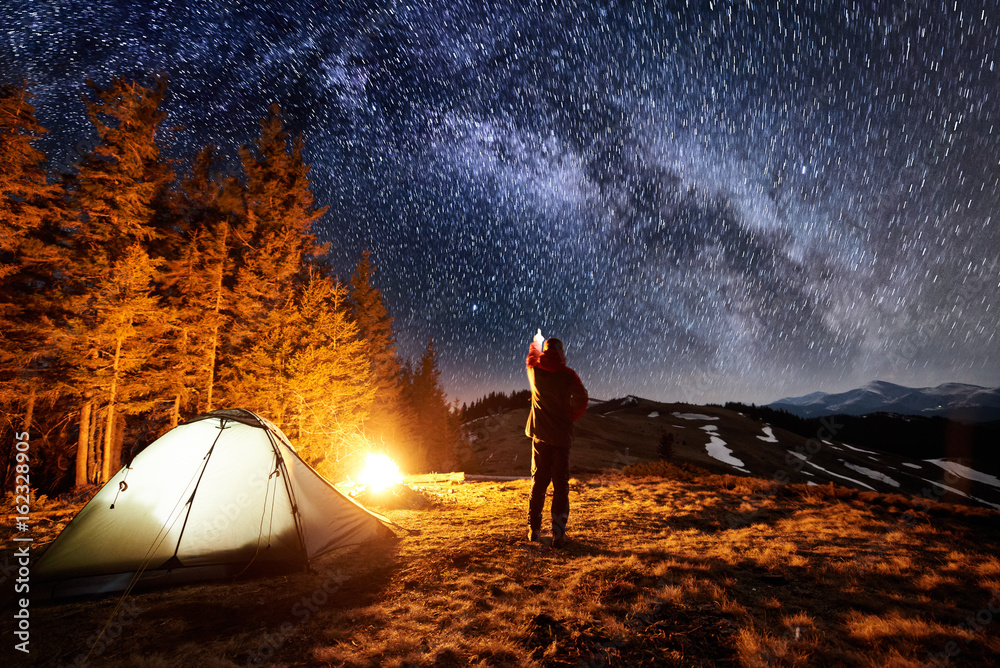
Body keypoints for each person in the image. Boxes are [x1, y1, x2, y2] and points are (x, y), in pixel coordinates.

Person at [525, 329, 588, 548]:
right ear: (562, 353)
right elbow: (583, 398)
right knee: (560, 486)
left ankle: (534, 531)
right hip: (561, 439)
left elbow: (532, 356)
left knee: (538, 483)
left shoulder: (534, 369)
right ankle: (558, 535)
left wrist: (536, 342)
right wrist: (570, 416)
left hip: (540, 436)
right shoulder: (569, 374)